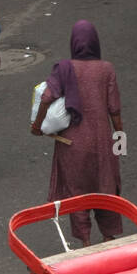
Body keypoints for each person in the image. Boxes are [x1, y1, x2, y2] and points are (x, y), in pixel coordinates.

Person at [32, 21, 122, 247]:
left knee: (77, 191)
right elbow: (114, 108)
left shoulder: (64, 68)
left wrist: (37, 125)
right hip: (103, 141)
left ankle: (85, 241)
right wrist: (120, 138)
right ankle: (108, 236)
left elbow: (46, 98)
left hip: (71, 142)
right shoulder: (106, 69)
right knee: (105, 187)